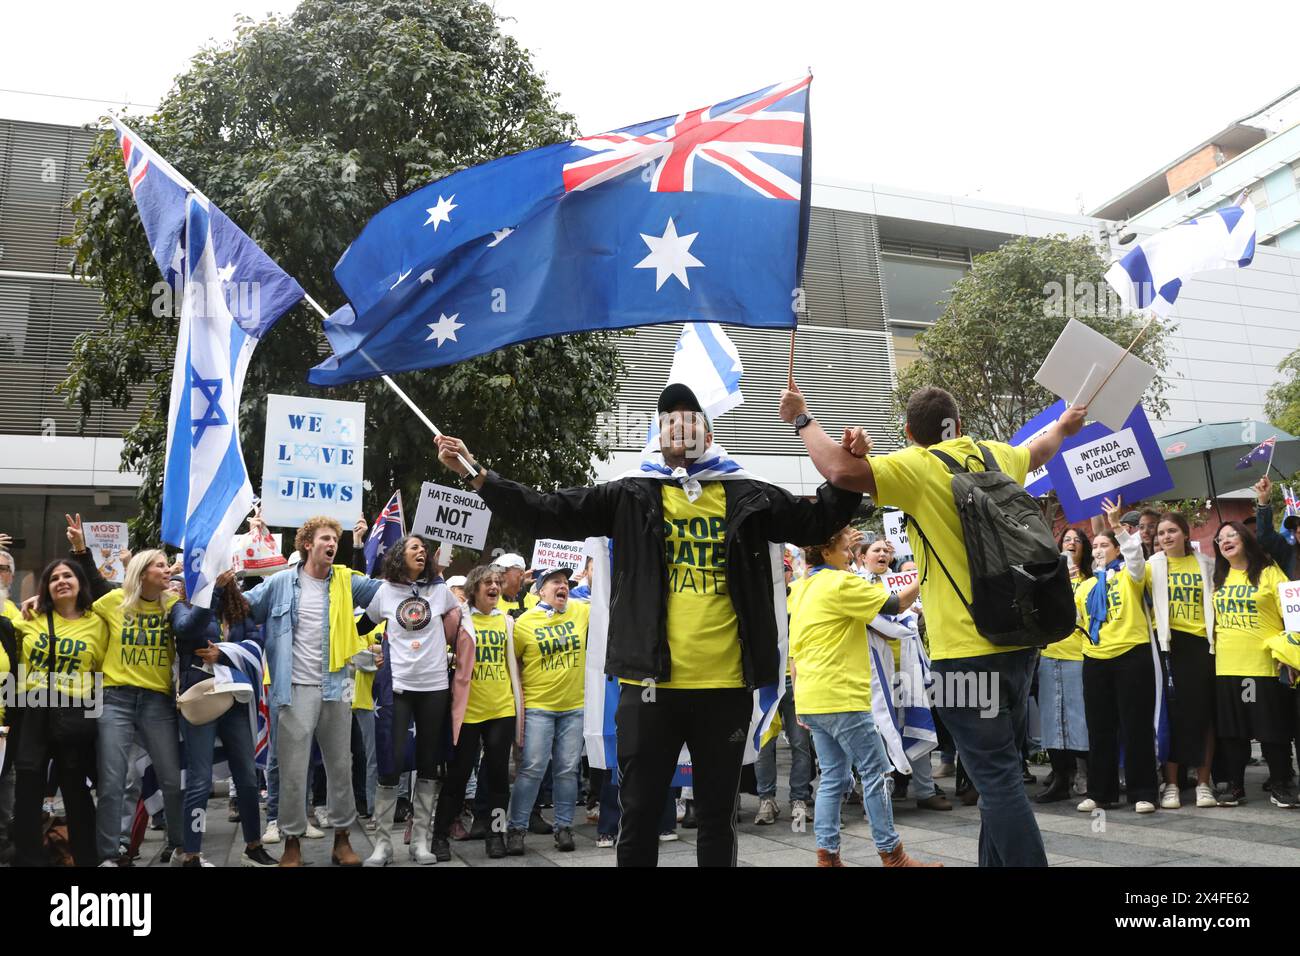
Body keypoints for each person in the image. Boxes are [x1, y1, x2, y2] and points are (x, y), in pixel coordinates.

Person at [437, 382, 862, 867]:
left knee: (718, 818)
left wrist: (839, 458)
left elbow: (818, 521)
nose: (681, 425)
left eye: (691, 417)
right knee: (637, 817)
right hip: (647, 686)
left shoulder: (748, 494)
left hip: (725, 689)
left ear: (709, 430)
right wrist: (475, 473)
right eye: (669, 418)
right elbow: (545, 511)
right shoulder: (630, 494)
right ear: (656, 435)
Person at [782, 383, 1085, 866]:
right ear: (959, 425)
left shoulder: (918, 467)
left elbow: (840, 470)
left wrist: (801, 418)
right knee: (996, 777)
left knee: (1000, 781)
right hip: (1021, 644)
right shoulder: (994, 455)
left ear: (908, 433)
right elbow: (1039, 447)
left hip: (965, 658)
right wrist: (1067, 425)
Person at [788, 527, 936, 867]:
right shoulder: (843, 584)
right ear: (825, 552)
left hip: (812, 696)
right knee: (877, 773)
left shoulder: (801, 588)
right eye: (846, 548)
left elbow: (794, 652)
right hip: (843, 696)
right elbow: (897, 603)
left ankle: (827, 856)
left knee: (832, 778)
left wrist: (799, 700)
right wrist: (927, 573)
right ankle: (892, 855)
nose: (852, 554)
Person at [242, 514, 382, 867]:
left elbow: (386, 591)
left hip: (338, 685)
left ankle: (343, 840)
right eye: (324, 538)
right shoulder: (279, 583)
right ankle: (292, 845)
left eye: (334, 539)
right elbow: (244, 608)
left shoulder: (347, 581)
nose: (332, 543)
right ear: (307, 544)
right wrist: (233, 566)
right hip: (293, 689)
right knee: (292, 769)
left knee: (341, 766)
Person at [54, 516, 187, 866]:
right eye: (160, 564)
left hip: (158, 701)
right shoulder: (114, 600)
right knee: (113, 780)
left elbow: (196, 624)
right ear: (142, 572)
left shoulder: (173, 606)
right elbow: (85, 591)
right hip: (116, 700)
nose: (167, 569)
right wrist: (80, 551)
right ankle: (109, 855)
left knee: (172, 779)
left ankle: (178, 845)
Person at [353, 534, 457, 866]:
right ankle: (383, 845)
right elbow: (360, 626)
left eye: (424, 549)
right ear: (400, 555)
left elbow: (460, 631)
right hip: (397, 687)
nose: (421, 552)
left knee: (428, 763)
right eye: (414, 548)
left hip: (434, 686)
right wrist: (371, 651)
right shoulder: (385, 591)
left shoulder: (440, 591)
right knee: (391, 761)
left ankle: (420, 842)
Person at [170, 569, 278, 867]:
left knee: (246, 775)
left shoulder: (240, 609)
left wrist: (225, 652)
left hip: (236, 701)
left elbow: (257, 645)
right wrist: (212, 594)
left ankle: (253, 846)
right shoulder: (182, 606)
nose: (218, 576)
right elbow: (187, 629)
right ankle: (192, 853)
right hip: (201, 699)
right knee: (199, 779)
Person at [10, 559, 107, 866]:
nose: (62, 581)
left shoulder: (97, 622)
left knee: (76, 790)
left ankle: (86, 858)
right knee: (28, 787)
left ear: (80, 582)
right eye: (54, 578)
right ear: (46, 587)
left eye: (68, 575)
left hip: (75, 713)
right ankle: (28, 859)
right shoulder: (30, 617)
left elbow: (101, 672)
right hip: (34, 710)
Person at [1073, 497, 1160, 814]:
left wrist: (1117, 528)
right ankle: (1101, 792)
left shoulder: (1132, 574)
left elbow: (1137, 560)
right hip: (1094, 660)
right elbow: (1078, 623)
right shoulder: (1083, 587)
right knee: (1100, 728)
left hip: (1131, 655)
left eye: (1103, 544)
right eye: (1094, 545)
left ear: (1116, 549)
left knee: (1135, 725)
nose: (1096, 549)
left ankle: (1144, 792)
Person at [495, 566, 589, 855]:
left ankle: (563, 828)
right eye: (556, 582)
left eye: (566, 583)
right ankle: (516, 829)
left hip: (574, 707)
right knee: (532, 769)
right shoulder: (524, 623)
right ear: (540, 591)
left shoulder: (581, 611)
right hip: (539, 708)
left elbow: (605, 593)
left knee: (567, 770)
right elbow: (514, 663)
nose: (563, 586)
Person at [432, 565, 522, 860]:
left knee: (498, 777)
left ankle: (496, 835)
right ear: (474, 589)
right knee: (458, 775)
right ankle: (440, 836)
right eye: (488, 582)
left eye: (498, 581)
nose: (495, 586)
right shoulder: (459, 618)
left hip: (501, 709)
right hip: (468, 711)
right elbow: (436, 646)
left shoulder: (506, 621)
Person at [1209, 521, 1298, 808]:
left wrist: (1290, 654)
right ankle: (1235, 786)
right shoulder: (1217, 578)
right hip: (1227, 666)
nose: (1225, 541)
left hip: (1262, 666)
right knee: (1233, 730)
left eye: (1231, 534)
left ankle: (1281, 783)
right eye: (1220, 538)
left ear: (1245, 538)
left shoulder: (1270, 573)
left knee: (1270, 728)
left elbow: (1293, 617)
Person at [858, 540, 950, 810]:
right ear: (863, 557)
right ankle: (878, 796)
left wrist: (917, 616)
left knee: (916, 723)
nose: (883, 554)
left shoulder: (901, 583)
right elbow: (867, 620)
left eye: (887, 551)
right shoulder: (856, 584)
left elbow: (912, 619)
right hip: (873, 672)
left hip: (907, 669)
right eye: (876, 550)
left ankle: (925, 791)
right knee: (877, 732)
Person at [1151, 512, 1218, 810]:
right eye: (1162, 532)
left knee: (1204, 715)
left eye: (1172, 531)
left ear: (1185, 533)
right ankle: (1172, 785)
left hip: (1201, 645)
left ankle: (1204, 783)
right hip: (1167, 644)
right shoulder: (1153, 565)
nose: (1166, 537)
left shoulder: (1206, 564)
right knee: (1171, 717)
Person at [1035, 526, 1092, 803]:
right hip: (1050, 654)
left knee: (1079, 717)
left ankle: (1086, 774)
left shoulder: (1091, 578)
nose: (1071, 543)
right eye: (1067, 539)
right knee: (1052, 718)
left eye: (1077, 540)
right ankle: (1060, 777)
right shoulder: (1049, 578)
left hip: (1079, 655)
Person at [1255, 477, 1298, 578]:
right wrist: (1263, 502)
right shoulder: (1288, 550)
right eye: (1295, 526)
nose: (1299, 530)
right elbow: (1265, 537)